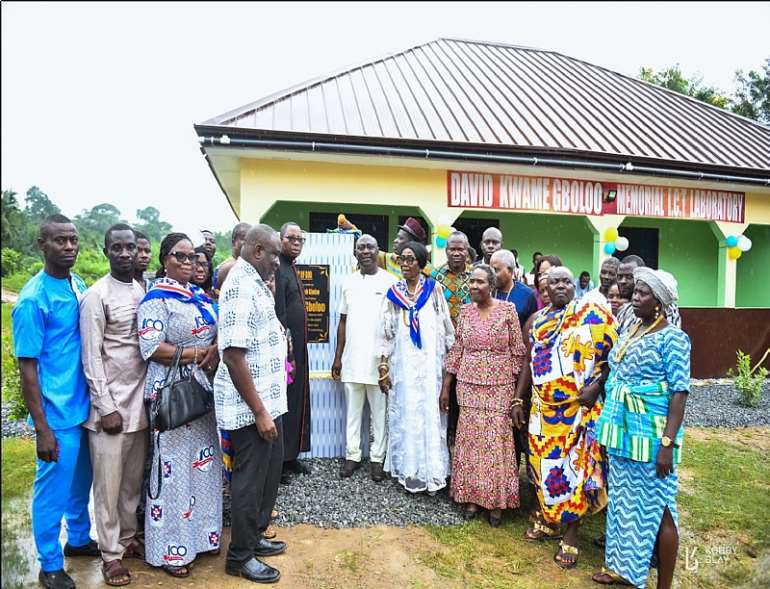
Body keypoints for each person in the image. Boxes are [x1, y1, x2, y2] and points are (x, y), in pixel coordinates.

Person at [12, 215, 99, 589]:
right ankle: (49, 562)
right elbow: (27, 368)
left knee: (81, 484)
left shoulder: (76, 283)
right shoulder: (33, 300)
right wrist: (42, 428)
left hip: (84, 406)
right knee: (51, 491)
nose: (69, 247)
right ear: (41, 245)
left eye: (73, 240)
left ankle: (78, 539)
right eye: (60, 241)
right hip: (57, 416)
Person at [512, 266, 617, 569]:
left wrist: (597, 386)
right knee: (543, 468)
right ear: (543, 286)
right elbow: (528, 364)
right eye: (553, 281)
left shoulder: (593, 315)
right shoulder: (537, 321)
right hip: (544, 412)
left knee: (575, 472)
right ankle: (549, 521)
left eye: (565, 282)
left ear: (574, 287)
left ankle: (571, 534)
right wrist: (519, 398)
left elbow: (615, 356)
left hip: (579, 411)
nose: (559, 286)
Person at [593, 268, 691, 589]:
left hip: (652, 434)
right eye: (635, 291)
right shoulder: (633, 327)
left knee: (659, 508)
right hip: (622, 432)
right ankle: (623, 569)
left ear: (660, 301)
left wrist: (667, 444)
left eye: (643, 293)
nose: (634, 297)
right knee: (623, 504)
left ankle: (664, 584)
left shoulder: (673, 338)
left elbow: (679, 392)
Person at [137, 233, 221, 579]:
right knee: (172, 473)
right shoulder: (156, 299)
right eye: (179, 256)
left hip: (201, 392)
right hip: (172, 394)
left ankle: (202, 538)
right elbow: (152, 347)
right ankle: (173, 551)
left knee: (203, 469)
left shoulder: (198, 294)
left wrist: (213, 350)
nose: (187, 262)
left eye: (192, 257)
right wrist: (198, 354)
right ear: (165, 259)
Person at [214, 224, 288, 584]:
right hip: (250, 411)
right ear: (258, 250)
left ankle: (254, 537)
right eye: (274, 253)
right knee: (248, 482)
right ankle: (240, 557)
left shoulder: (255, 282)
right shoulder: (241, 285)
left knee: (266, 477)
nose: (278, 260)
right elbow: (232, 356)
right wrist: (259, 412)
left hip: (268, 405)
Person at [79, 224, 148, 586]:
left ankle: (125, 539)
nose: (125, 254)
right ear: (106, 250)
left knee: (130, 485)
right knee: (107, 487)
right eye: (117, 248)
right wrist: (104, 407)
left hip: (139, 407)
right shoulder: (96, 295)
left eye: (131, 248)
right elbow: (91, 357)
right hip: (110, 410)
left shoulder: (139, 289)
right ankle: (110, 555)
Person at [441, 265, 526, 527]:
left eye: (479, 282)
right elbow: (457, 349)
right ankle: (472, 498)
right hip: (468, 386)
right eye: (471, 282)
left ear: (491, 285)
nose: (474, 286)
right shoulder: (465, 312)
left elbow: (518, 351)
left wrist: (511, 387)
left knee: (496, 443)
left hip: (499, 387)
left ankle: (497, 503)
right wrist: (446, 386)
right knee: (471, 442)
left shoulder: (507, 310)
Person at [378, 242, 454, 494]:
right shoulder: (393, 294)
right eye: (402, 259)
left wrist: (450, 367)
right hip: (404, 369)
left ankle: (432, 473)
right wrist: (383, 364)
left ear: (421, 264)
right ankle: (410, 471)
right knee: (408, 416)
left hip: (431, 369)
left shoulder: (434, 291)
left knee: (430, 417)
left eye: (411, 260)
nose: (406, 264)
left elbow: (445, 328)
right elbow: (385, 333)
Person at [331, 235, 396, 480]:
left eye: (370, 247)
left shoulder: (391, 282)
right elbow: (342, 321)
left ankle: (378, 460)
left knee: (379, 414)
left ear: (379, 251)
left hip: (378, 362)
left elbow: (394, 326)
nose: (365, 251)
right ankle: (352, 456)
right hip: (351, 359)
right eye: (361, 247)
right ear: (355, 252)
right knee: (353, 413)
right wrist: (338, 358)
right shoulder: (348, 282)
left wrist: (387, 361)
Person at [274, 222, 311, 482]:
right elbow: (280, 315)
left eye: (301, 239)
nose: (296, 242)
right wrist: (288, 354)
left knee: (297, 400)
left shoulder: (291, 267)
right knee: (285, 403)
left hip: (298, 346)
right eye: (291, 238)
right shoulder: (277, 268)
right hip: (287, 350)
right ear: (280, 239)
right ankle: (280, 462)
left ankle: (291, 456)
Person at [430, 231, 471, 448]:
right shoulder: (435, 276)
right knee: (443, 395)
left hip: (470, 350)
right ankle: (443, 445)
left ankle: (461, 441)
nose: (456, 253)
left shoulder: (477, 276)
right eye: (452, 249)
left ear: (467, 250)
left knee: (463, 399)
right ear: (446, 251)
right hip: (443, 348)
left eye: (460, 249)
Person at [615, 255, 681, 335]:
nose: (623, 281)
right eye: (619, 276)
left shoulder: (667, 310)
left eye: (629, 276)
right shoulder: (624, 310)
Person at [490, 249, 537, 329]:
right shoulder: (487, 291)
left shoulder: (527, 295)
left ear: (510, 270)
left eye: (496, 270)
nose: (491, 274)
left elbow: (531, 329)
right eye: (490, 270)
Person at [213, 222, 251, 297]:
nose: (248, 243)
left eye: (251, 240)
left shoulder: (246, 266)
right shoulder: (229, 267)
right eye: (244, 239)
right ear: (234, 242)